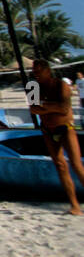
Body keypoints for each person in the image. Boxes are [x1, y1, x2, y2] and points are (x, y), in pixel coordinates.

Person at [28, 59, 84, 215]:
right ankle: (74, 205)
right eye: (34, 72)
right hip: (47, 129)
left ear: (47, 70)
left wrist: (44, 106)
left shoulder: (61, 85)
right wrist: (50, 107)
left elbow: (64, 109)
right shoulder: (33, 87)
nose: (36, 74)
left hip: (65, 127)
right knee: (60, 166)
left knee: (76, 165)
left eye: (39, 71)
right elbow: (33, 110)